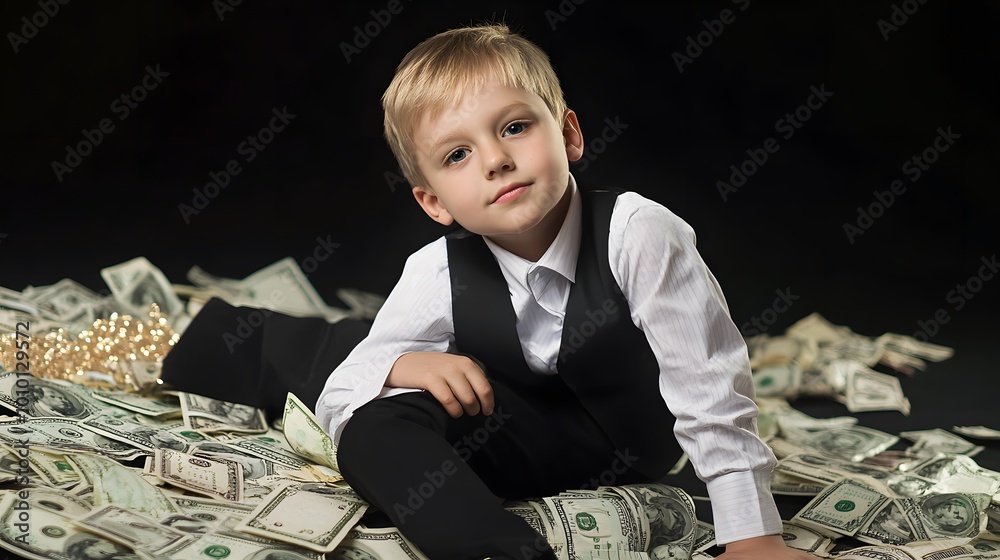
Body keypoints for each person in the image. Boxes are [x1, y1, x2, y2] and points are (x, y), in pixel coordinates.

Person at [315, 22, 814, 560]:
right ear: (434, 203)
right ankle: (498, 551)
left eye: (514, 127)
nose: (495, 160)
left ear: (569, 134)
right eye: (457, 155)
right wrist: (400, 365)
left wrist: (753, 537)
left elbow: (709, 383)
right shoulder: (436, 269)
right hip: (515, 457)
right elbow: (339, 393)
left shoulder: (637, 232)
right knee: (373, 422)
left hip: (646, 455)